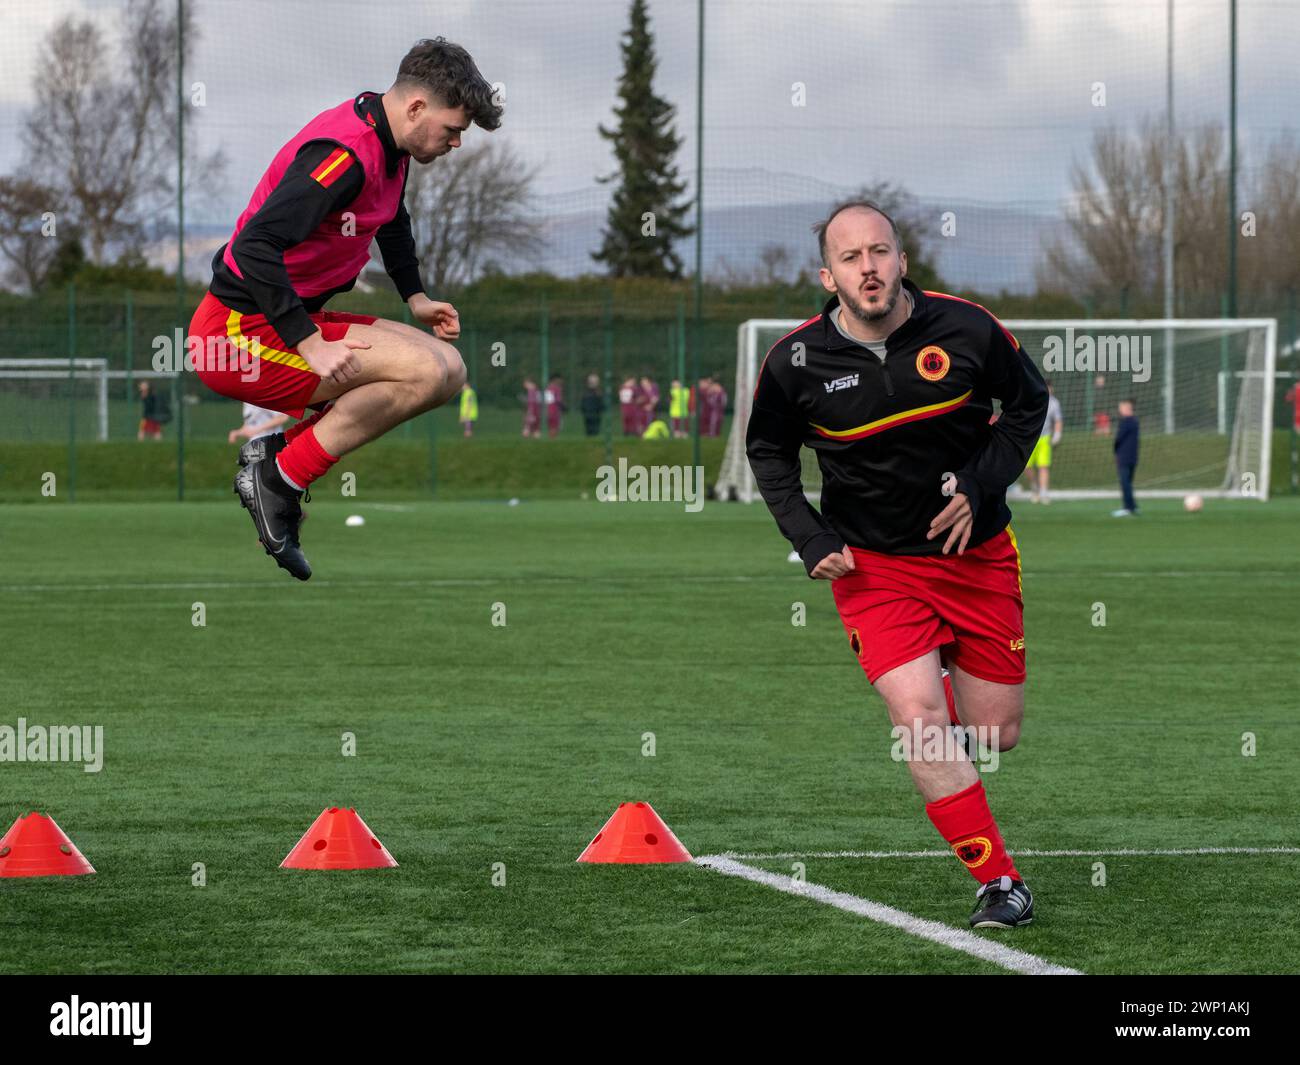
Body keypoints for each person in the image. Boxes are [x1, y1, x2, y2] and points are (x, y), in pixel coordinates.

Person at [745, 201, 1047, 929]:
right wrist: (809, 538)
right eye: (851, 258)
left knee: (997, 732)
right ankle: (999, 881)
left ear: (903, 259)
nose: (868, 267)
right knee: (917, 719)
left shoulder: (968, 328)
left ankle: (941, 682)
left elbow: (1027, 403)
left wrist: (981, 484)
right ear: (829, 275)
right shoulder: (794, 362)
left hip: (974, 558)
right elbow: (769, 452)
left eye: (879, 251)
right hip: (873, 568)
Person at [187, 38, 502, 580]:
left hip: (287, 321)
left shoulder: (390, 145)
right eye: (453, 129)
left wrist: (416, 296)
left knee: (449, 370)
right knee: (424, 372)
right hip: (234, 334)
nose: (455, 143)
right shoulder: (345, 154)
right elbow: (253, 247)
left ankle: (276, 462)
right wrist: (310, 342)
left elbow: (392, 217)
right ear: (416, 107)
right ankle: (280, 477)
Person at [1023, 381, 1062, 503]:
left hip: (1045, 437)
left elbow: (1058, 420)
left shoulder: (1054, 403)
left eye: (1050, 388)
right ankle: (1035, 488)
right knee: (1027, 466)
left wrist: (1057, 435)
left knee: (1043, 466)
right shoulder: (1032, 399)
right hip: (1030, 438)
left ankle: (1044, 492)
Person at [1112, 398, 1140, 517]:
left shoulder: (1126, 422)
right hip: (1133, 457)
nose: (1120, 410)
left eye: (1122, 407)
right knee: (1128, 483)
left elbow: (1118, 439)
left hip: (1124, 457)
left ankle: (1128, 508)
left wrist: (1115, 450)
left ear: (1127, 408)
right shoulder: (1135, 421)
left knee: (1125, 483)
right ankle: (1132, 506)